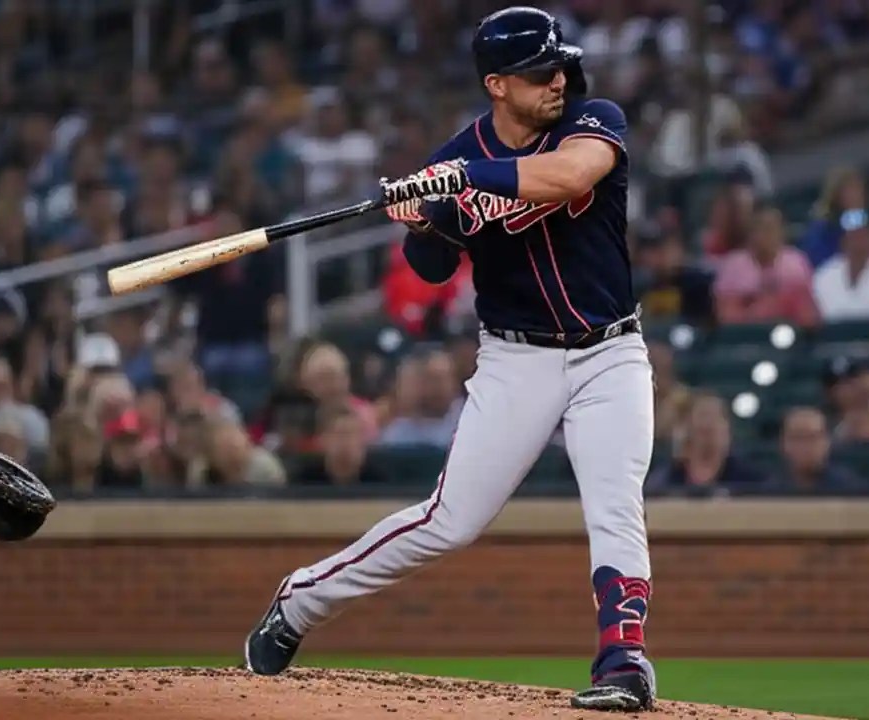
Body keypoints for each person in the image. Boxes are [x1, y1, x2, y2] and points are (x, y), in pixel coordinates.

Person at [245, 8, 658, 712]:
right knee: (450, 520)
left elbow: (566, 177)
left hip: (611, 351)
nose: (558, 79)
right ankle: (301, 601)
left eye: (559, 65)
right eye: (539, 73)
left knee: (615, 502)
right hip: (516, 361)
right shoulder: (454, 158)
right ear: (497, 84)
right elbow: (431, 268)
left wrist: (462, 180)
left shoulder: (592, 121)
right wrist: (428, 216)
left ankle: (624, 662)